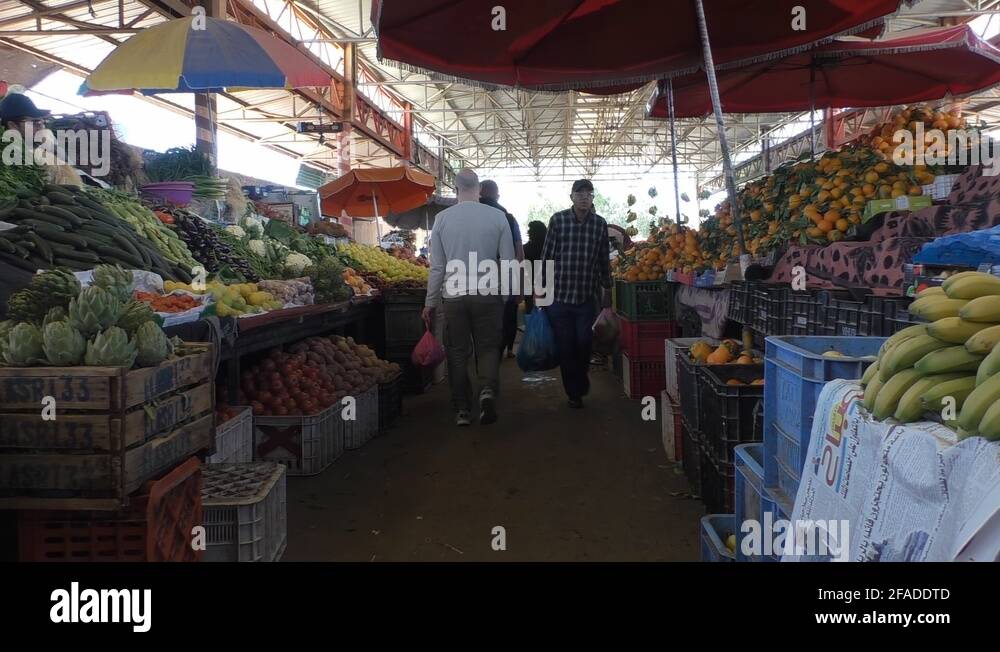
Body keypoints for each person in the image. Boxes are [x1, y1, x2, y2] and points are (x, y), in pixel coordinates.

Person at [423, 169, 516, 427]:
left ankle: (463, 409)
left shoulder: (442, 219)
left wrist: (430, 303)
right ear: (478, 189)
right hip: (488, 292)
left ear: (455, 189)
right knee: (487, 347)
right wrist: (507, 294)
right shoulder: (498, 216)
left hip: (453, 295)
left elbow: (438, 267)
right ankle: (486, 391)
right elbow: (508, 260)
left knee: (457, 352)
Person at [540, 179, 612, 409]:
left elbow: (603, 260)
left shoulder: (599, 224)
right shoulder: (558, 220)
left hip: (585, 297)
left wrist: (607, 289)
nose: (584, 197)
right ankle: (574, 393)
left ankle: (580, 378)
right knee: (566, 346)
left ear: (593, 199)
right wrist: (541, 291)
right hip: (559, 297)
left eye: (588, 194)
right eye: (579, 193)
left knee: (584, 342)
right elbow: (547, 258)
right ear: (571, 197)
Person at [480, 180, 524, 358]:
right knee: (508, 315)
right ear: (497, 196)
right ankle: (504, 349)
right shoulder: (509, 218)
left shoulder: (465, 216)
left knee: (483, 321)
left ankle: (487, 356)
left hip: (474, 280)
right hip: (505, 276)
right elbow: (519, 253)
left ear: (479, 194)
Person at [521, 220, 547, 314]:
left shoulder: (525, 249)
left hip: (530, 287)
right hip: (548, 286)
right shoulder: (548, 248)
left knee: (532, 315)